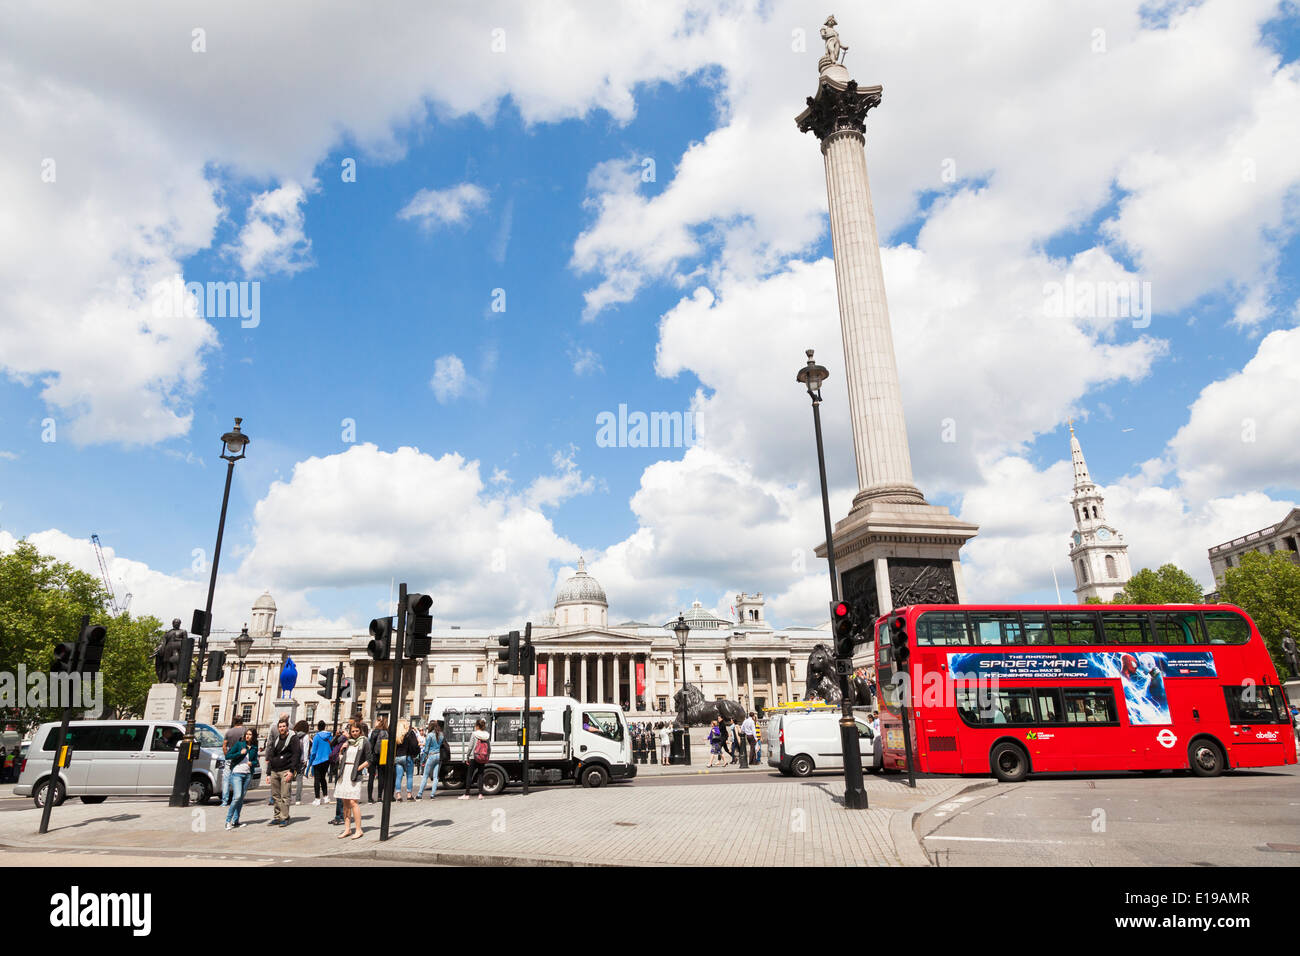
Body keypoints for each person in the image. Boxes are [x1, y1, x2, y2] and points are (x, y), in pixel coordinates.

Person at [334, 719, 370, 840]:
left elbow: (370, 759)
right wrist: (342, 749)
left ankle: (359, 829)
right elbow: (340, 757)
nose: (354, 733)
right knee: (345, 803)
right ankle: (347, 828)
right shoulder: (348, 742)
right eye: (352, 731)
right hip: (344, 772)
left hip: (355, 774)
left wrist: (359, 768)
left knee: (353, 802)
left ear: (360, 731)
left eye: (356, 731)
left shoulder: (364, 741)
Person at [264, 715, 302, 826]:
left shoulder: (293, 738)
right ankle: (277, 816)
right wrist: (268, 773)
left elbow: (296, 755)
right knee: (275, 795)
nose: (281, 728)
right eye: (280, 726)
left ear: (287, 727)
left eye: (283, 726)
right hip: (274, 771)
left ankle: (284, 817)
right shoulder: (276, 739)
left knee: (285, 795)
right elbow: (271, 756)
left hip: (286, 770)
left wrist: (291, 771)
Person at [224, 728, 258, 830]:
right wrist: (240, 753)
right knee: (237, 797)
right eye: (247, 734)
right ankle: (227, 821)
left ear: (253, 736)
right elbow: (228, 756)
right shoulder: (239, 745)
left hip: (247, 774)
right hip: (237, 773)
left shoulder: (254, 748)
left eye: (250, 734)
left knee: (241, 799)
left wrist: (252, 763)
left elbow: (255, 760)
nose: (248, 736)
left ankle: (236, 821)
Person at [458, 718, 491, 800]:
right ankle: (480, 794)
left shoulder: (474, 734)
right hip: (482, 757)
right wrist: (487, 756)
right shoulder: (486, 735)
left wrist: (467, 756)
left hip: (474, 757)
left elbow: (470, 746)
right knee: (480, 775)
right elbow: (489, 748)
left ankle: (467, 794)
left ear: (477, 726)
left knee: (469, 775)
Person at [415, 721, 443, 800]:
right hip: (438, 755)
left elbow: (426, 749)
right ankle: (432, 795)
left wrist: (423, 759)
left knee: (425, 776)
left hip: (431, 755)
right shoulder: (441, 735)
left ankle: (420, 794)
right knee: (435, 777)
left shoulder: (429, 735)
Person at [393, 718, 419, 801]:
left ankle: (398, 795)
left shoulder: (396, 734)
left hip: (398, 757)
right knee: (409, 776)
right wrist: (415, 753)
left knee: (399, 777)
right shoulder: (410, 733)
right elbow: (415, 745)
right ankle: (409, 795)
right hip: (407, 756)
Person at [309, 720, 332, 805]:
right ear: (325, 726)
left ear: (318, 727)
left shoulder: (316, 737)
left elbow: (314, 751)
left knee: (317, 779)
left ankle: (317, 798)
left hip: (317, 760)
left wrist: (311, 760)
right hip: (327, 759)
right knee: (323, 778)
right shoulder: (329, 736)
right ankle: (326, 797)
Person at [366, 717, 388, 803]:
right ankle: (379, 797)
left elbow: (371, 745)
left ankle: (370, 798)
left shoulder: (374, 732)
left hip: (373, 755)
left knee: (371, 776)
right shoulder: (386, 732)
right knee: (381, 776)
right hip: (382, 755)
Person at [292, 720, 309, 805]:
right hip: (301, 760)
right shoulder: (305, 736)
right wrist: (305, 760)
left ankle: (286, 796)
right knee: (299, 779)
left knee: (288, 779)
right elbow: (305, 749)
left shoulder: (293, 735)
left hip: (292, 760)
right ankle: (298, 800)